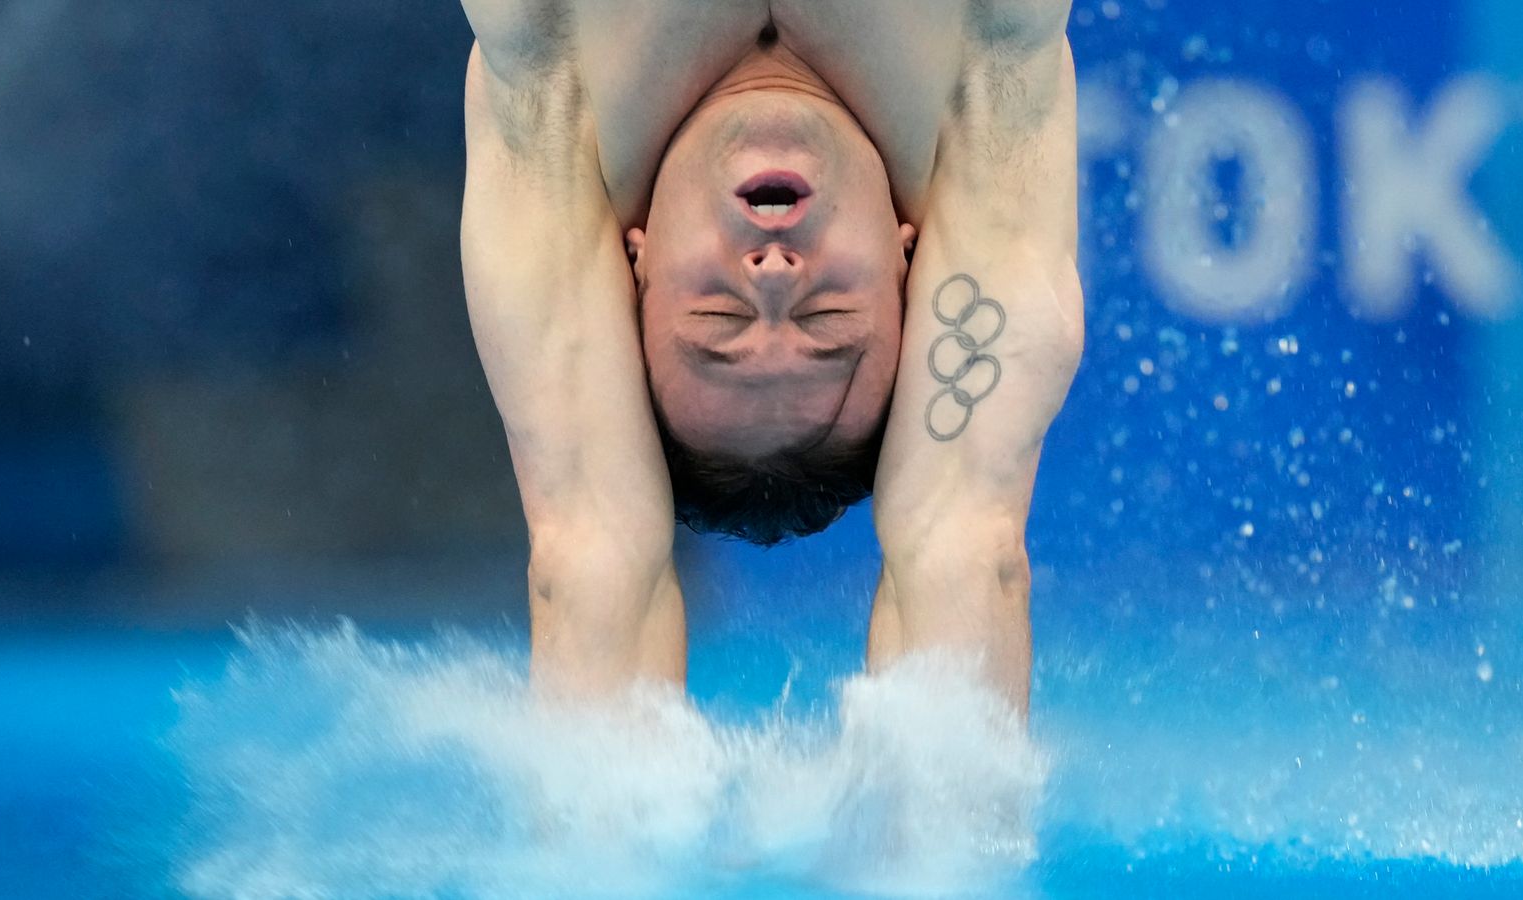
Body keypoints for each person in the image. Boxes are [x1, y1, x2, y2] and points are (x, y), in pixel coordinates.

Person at [459, 0, 1083, 710]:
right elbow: (963, 547)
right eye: (829, 318)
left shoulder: (551, 53)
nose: (775, 275)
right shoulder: (983, 56)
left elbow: (593, 553)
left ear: (636, 266)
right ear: (909, 264)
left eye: (719, 318)